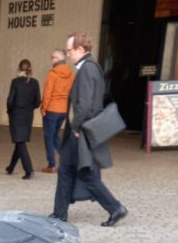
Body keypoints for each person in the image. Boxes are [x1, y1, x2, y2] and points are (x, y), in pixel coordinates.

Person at [49, 31, 128, 227]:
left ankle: (115, 208)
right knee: (66, 169)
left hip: (81, 131)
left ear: (81, 49)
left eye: (70, 51)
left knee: (86, 174)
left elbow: (84, 105)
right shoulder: (91, 68)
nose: (68, 55)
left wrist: (75, 128)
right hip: (80, 130)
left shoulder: (87, 70)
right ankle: (60, 213)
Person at [5, 59, 41, 180]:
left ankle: (29, 170)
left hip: (16, 114)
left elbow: (10, 100)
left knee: (20, 141)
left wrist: (10, 111)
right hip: (28, 115)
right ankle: (11, 167)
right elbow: (38, 102)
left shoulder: (15, 82)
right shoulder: (35, 82)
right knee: (20, 141)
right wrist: (29, 108)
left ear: (19, 69)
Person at [40, 48, 74, 173]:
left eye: (53, 57)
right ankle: (66, 160)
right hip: (63, 110)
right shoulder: (71, 73)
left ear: (59, 59)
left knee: (49, 137)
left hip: (52, 109)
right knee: (54, 136)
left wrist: (43, 109)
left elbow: (47, 94)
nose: (51, 59)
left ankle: (51, 165)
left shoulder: (52, 74)